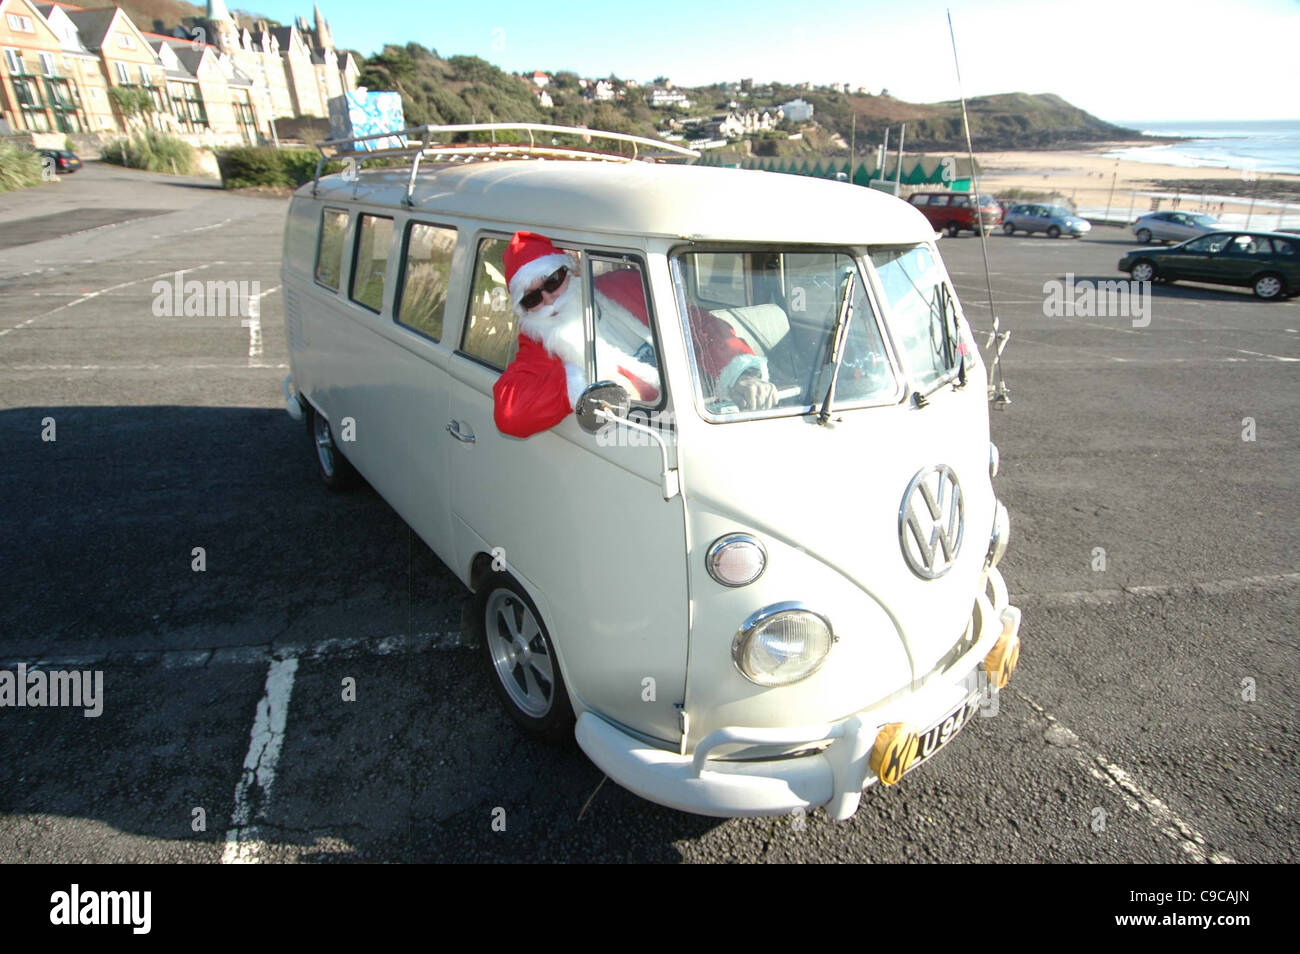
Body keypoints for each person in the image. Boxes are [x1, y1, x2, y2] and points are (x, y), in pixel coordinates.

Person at [493, 231, 775, 438]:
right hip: (651, 435)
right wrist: (577, 383)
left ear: (573, 270)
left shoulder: (625, 284)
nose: (549, 299)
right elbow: (509, 412)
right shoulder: (541, 342)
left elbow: (699, 326)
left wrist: (740, 375)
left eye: (553, 281)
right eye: (532, 299)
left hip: (709, 410)